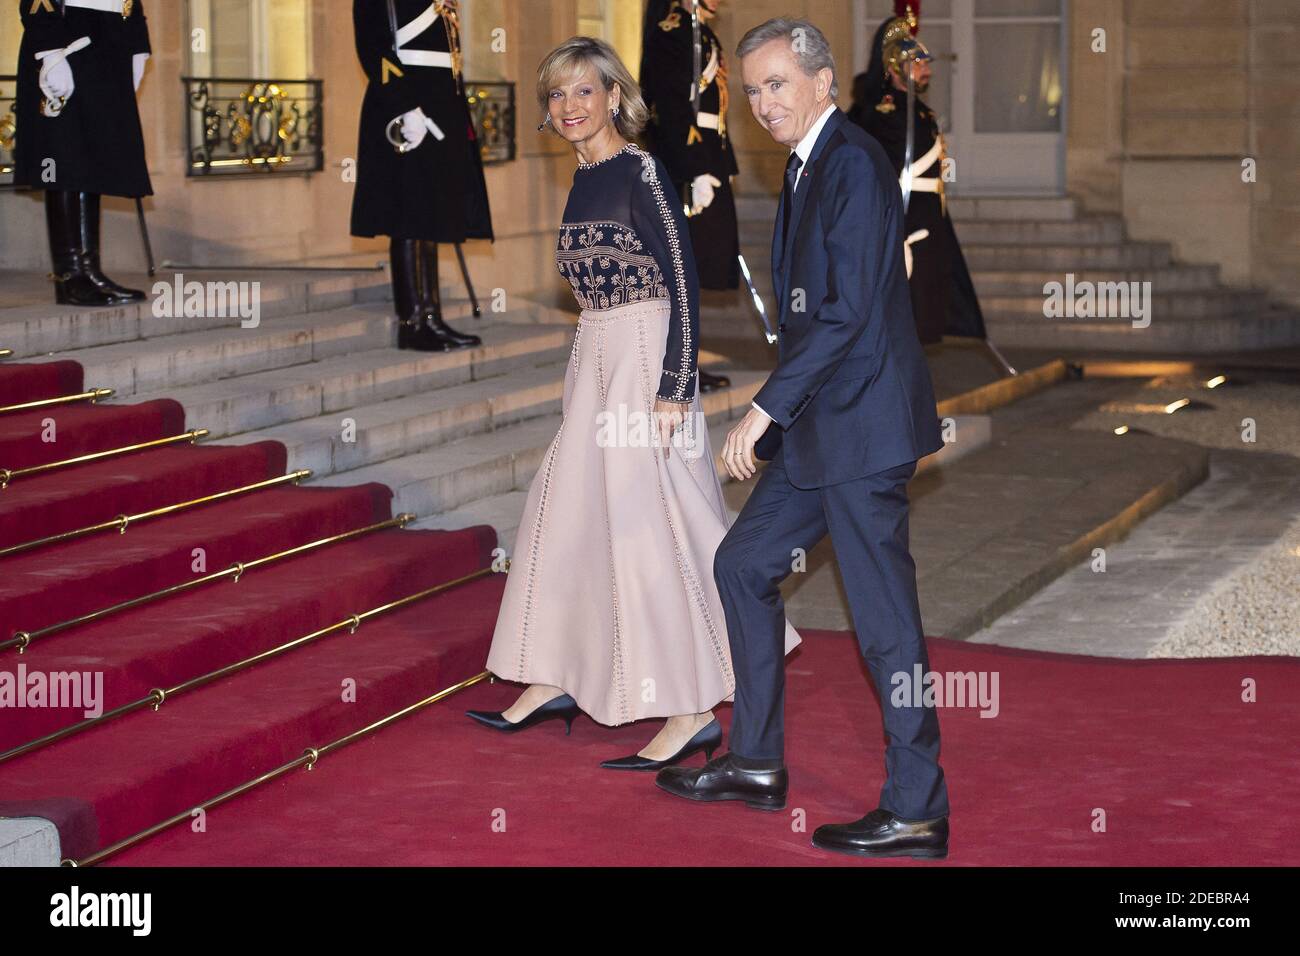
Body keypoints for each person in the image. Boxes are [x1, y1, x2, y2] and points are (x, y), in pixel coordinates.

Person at [654, 17, 951, 859]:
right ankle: (754, 761)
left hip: (861, 427)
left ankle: (918, 807)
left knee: (886, 625)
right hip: (827, 422)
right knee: (743, 563)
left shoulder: (853, 162)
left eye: (778, 83)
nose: (763, 102)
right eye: (751, 90)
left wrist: (764, 408)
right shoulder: (809, 163)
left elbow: (847, 312)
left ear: (822, 82)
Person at [466, 36, 800, 770]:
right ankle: (552, 674)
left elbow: (679, 278)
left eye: (584, 91)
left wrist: (676, 384)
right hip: (596, 353)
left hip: (647, 354)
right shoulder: (583, 178)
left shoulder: (641, 170)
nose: (570, 106)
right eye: (557, 95)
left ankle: (689, 709)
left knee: (650, 526)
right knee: (568, 510)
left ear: (614, 97)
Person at [350, 0, 492, 351]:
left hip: (441, 102)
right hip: (406, 102)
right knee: (409, 214)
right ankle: (412, 321)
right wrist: (404, 106)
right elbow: (374, 48)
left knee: (431, 214)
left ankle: (432, 316)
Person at [847, 6, 986, 345]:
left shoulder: (917, 110)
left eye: (925, 64)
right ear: (895, 68)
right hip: (904, 215)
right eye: (917, 64)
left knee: (926, 301)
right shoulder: (883, 112)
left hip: (928, 213)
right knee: (901, 306)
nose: (926, 70)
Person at [13, 0, 152, 306]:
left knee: (94, 157)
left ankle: (90, 271)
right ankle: (70, 276)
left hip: (110, 33)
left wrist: (137, 38)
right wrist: (49, 49)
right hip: (67, 31)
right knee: (66, 156)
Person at [639, 0, 736, 393]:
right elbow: (668, 104)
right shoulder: (673, 32)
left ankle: (687, 361)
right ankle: (676, 363)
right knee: (679, 271)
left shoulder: (702, 32)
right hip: (687, 164)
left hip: (708, 157)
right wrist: (694, 167)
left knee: (694, 270)